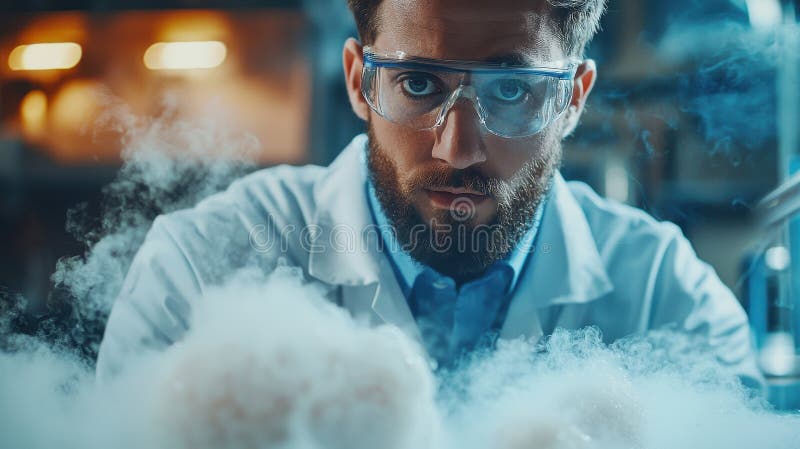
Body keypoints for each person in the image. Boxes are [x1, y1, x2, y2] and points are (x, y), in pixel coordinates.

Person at [97, 0, 762, 387]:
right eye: (418, 84)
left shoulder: (665, 296)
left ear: (573, 99)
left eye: (512, 90)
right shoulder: (200, 270)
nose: (458, 149)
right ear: (360, 81)